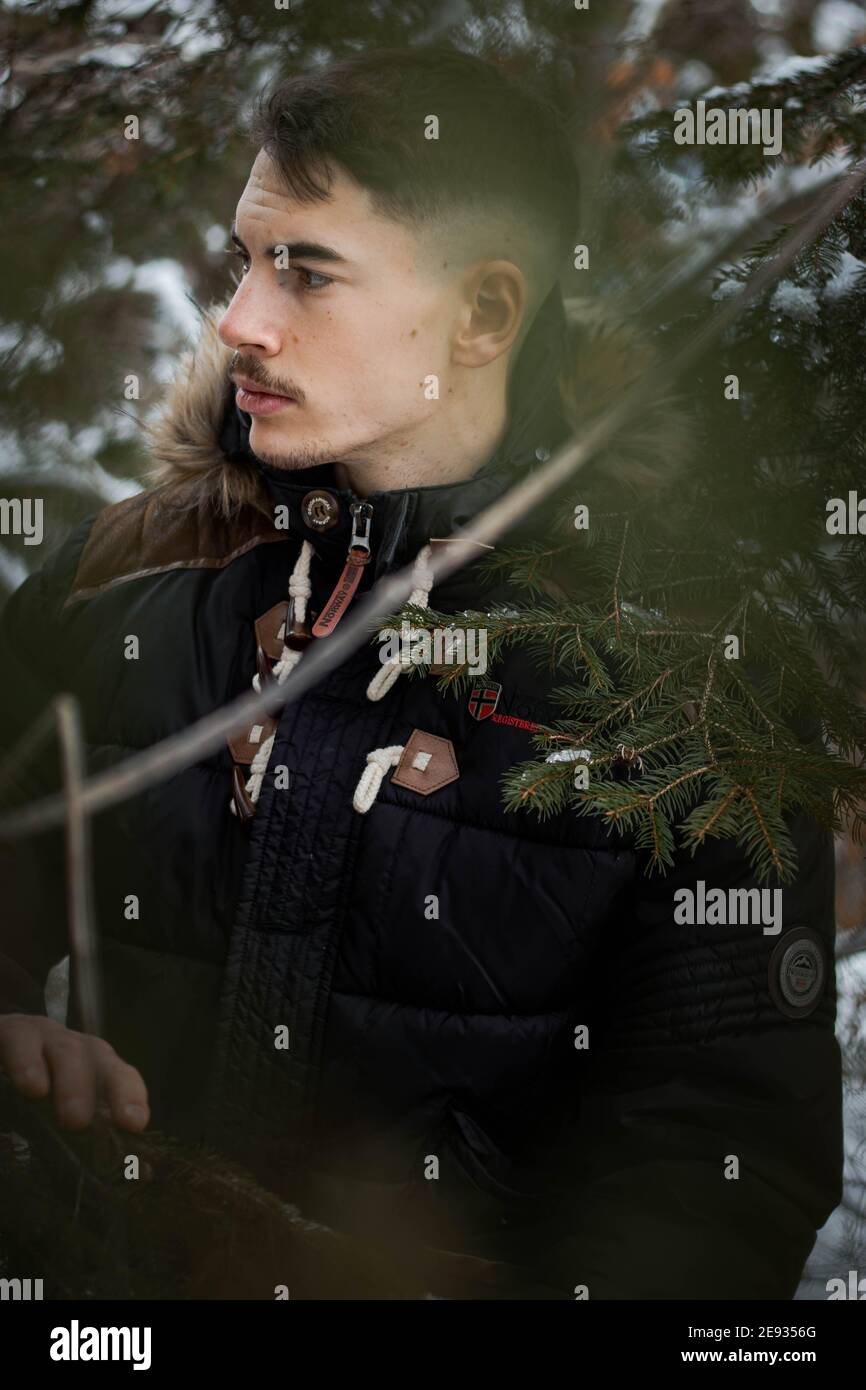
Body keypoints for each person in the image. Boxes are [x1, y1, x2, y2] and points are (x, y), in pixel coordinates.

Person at [0, 46, 842, 1299]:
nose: (238, 318)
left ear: (486, 314)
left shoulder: (680, 675)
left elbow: (714, 1158)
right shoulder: (126, 579)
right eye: (245, 258)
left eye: (308, 271)